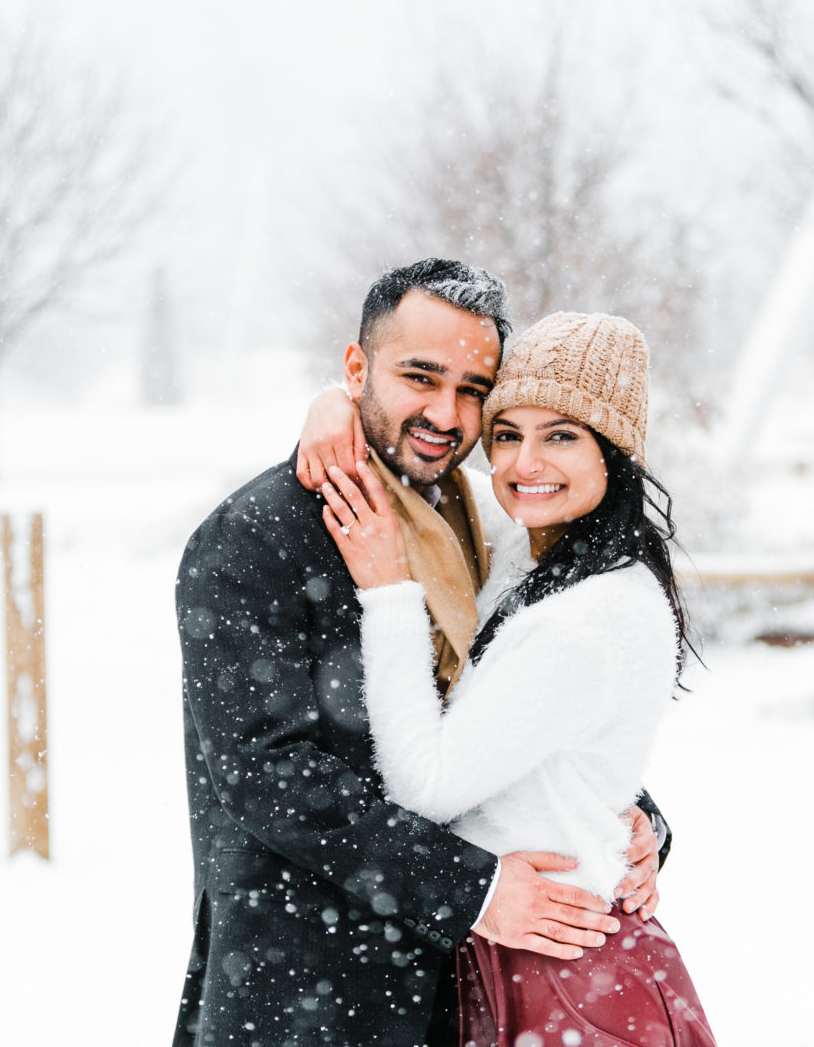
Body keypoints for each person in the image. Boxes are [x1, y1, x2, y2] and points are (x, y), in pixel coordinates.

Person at [174, 260, 669, 1046]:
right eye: (420, 376)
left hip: (458, 992)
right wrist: (471, 889)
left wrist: (629, 814)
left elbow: (516, 706)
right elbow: (269, 776)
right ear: (356, 368)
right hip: (306, 992)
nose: (445, 413)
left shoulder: (475, 524)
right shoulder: (258, 536)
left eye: (473, 389)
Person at [314, 311, 716, 1045]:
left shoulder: (585, 618)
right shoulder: (533, 553)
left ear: (614, 450)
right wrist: (337, 406)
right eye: (506, 434)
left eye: (560, 436)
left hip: (568, 973)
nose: (524, 464)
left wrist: (389, 590)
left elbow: (427, 787)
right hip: (537, 957)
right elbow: (423, 464)